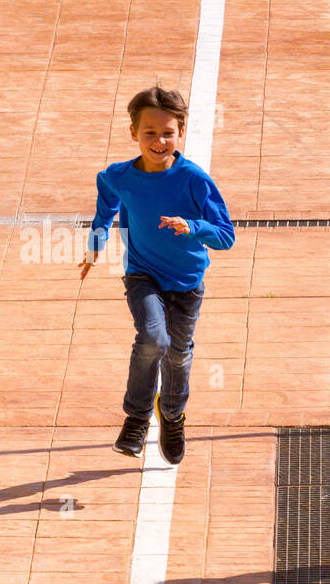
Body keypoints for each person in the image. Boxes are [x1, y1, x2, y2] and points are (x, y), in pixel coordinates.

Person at [78, 87, 234, 464]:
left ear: (180, 133)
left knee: (178, 356)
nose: (159, 141)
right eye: (149, 133)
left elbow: (225, 236)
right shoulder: (119, 176)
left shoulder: (195, 180)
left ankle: (173, 414)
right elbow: (106, 204)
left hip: (186, 282)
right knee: (152, 338)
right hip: (142, 274)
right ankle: (136, 418)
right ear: (134, 133)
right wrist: (95, 245)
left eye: (167, 132)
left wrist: (193, 227)